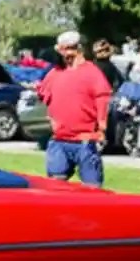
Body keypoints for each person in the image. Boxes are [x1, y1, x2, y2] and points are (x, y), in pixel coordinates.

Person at [36, 31, 113, 186]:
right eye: (62, 51)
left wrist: (102, 128)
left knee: (93, 190)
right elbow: (42, 94)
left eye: (68, 50)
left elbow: (102, 99)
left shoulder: (92, 72)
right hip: (59, 141)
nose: (65, 55)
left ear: (78, 49)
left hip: (85, 141)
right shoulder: (54, 73)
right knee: (54, 188)